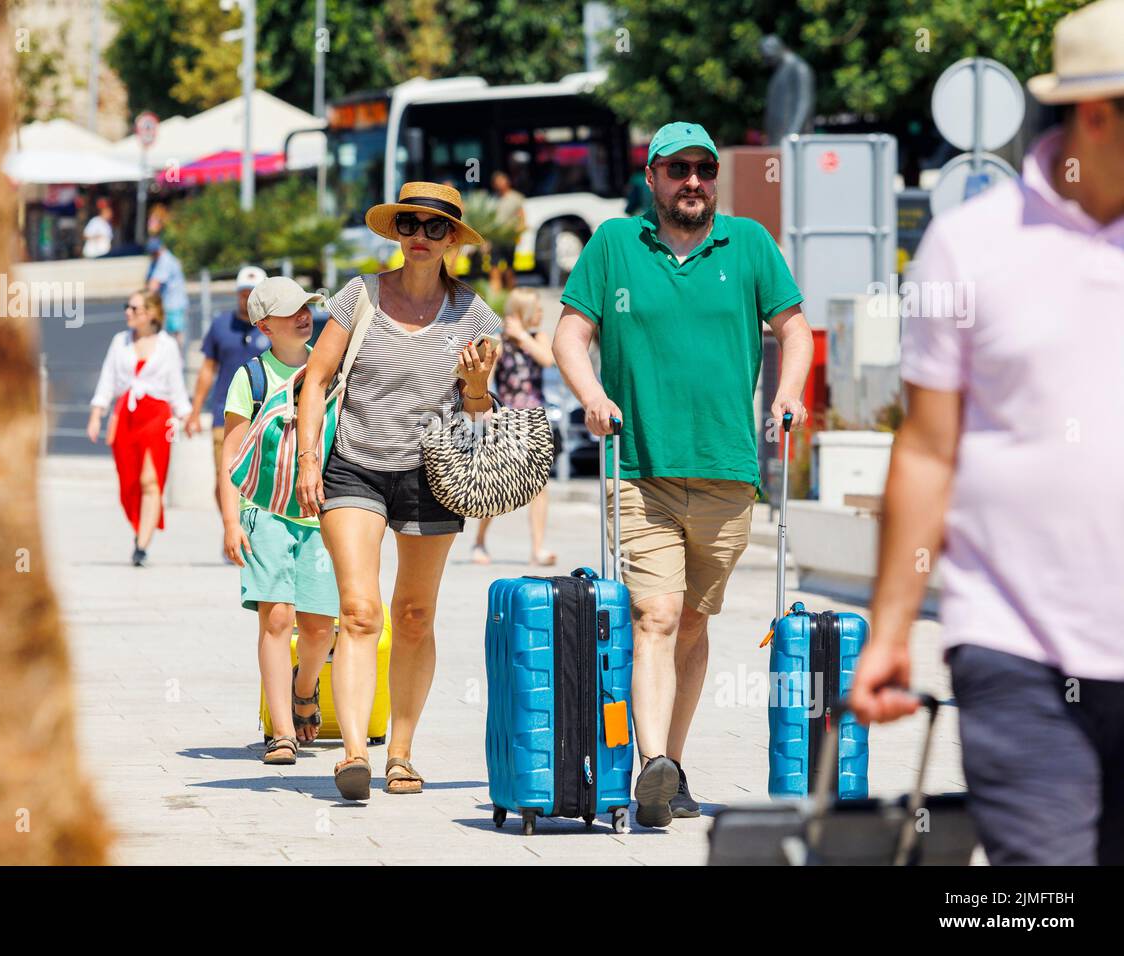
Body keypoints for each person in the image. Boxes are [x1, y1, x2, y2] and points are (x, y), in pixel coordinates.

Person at [849, 0, 1124, 865]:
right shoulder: (971, 247)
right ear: (1096, 111)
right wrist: (891, 631)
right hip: (1014, 641)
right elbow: (929, 448)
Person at [552, 122, 813, 828]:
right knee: (655, 616)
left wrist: (789, 391)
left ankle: (670, 765)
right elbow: (571, 334)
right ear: (652, 179)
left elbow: (794, 328)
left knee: (693, 623)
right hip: (641, 470)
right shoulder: (614, 245)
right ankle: (649, 764)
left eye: (703, 168)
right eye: (677, 170)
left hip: (729, 472)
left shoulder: (751, 244)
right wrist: (592, 396)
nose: (692, 181)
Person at [295, 182, 501, 801]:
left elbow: (479, 415)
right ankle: (355, 753)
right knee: (360, 611)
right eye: (410, 224)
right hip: (353, 466)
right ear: (396, 231)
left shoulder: (476, 315)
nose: (420, 236)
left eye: (435, 229)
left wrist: (476, 384)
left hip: (432, 474)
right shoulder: (358, 296)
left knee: (414, 616)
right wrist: (309, 458)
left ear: (452, 242)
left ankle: (402, 754)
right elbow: (316, 380)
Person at [220, 277, 338, 765]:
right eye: (291, 312)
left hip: (320, 515)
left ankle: (304, 688)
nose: (304, 316)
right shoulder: (252, 376)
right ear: (264, 324)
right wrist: (231, 521)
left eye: (307, 307)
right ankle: (282, 732)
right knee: (279, 618)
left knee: (319, 628)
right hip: (265, 512)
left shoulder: (326, 367)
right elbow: (231, 452)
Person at [87, 290, 192, 566]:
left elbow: (176, 386)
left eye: (134, 308)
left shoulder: (167, 345)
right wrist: (97, 414)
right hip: (126, 416)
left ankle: (142, 546)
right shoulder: (119, 341)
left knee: (150, 479)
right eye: (127, 307)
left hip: (156, 416)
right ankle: (138, 529)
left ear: (151, 314)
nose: (128, 313)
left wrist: (186, 415)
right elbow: (107, 378)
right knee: (129, 480)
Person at [471, 287, 556, 567]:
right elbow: (487, 378)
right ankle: (480, 541)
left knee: (540, 486)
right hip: (506, 419)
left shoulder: (536, 338)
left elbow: (547, 359)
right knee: (495, 481)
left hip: (534, 419)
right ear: (523, 311)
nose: (541, 314)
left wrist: (522, 336)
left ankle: (538, 548)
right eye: (537, 309)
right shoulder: (500, 341)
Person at [185, 265, 271, 526]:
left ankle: (255, 530)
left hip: (266, 416)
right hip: (226, 414)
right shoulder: (221, 326)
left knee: (262, 477)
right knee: (225, 476)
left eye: (254, 293)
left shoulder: (274, 327)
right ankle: (231, 528)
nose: (248, 298)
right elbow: (207, 370)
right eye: (244, 293)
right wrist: (195, 411)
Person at [146, 237, 189, 345]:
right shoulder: (156, 260)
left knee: (176, 335)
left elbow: (153, 285)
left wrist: (144, 300)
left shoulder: (165, 260)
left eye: (155, 252)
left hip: (174, 304)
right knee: (167, 337)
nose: (153, 254)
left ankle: (179, 359)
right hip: (167, 304)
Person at [487, 171, 525, 293]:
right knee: (494, 266)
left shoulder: (516, 197)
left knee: (509, 268)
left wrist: (519, 233)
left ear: (507, 182)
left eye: (501, 181)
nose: (499, 184)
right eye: (496, 182)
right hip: (496, 238)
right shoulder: (493, 199)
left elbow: (521, 216)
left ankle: (511, 292)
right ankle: (495, 294)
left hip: (509, 237)